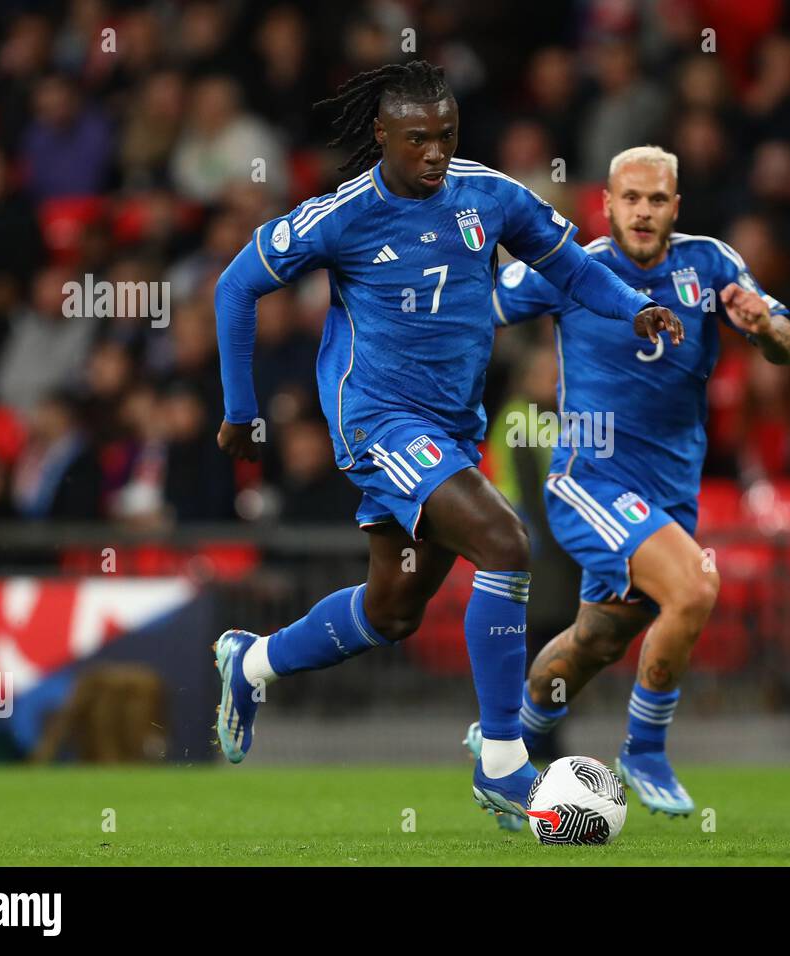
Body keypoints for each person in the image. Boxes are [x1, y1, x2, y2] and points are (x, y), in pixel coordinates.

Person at [210, 62, 683, 826]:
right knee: (504, 541)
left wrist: (633, 308)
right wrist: (239, 408)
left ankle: (252, 661)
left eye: (447, 136)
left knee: (392, 610)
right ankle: (502, 761)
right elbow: (237, 285)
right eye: (418, 139)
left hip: (451, 427)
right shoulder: (345, 213)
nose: (435, 153)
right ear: (382, 137)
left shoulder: (489, 196)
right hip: (380, 421)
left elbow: (563, 265)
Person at [465, 145, 790, 823]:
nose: (643, 211)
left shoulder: (710, 265)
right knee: (696, 585)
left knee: (597, 640)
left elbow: (789, 345)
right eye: (631, 198)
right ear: (608, 204)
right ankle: (643, 749)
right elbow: (477, 312)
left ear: (675, 207)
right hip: (590, 476)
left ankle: (503, 745)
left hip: (670, 492)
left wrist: (765, 327)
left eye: (657, 200)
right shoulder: (572, 267)